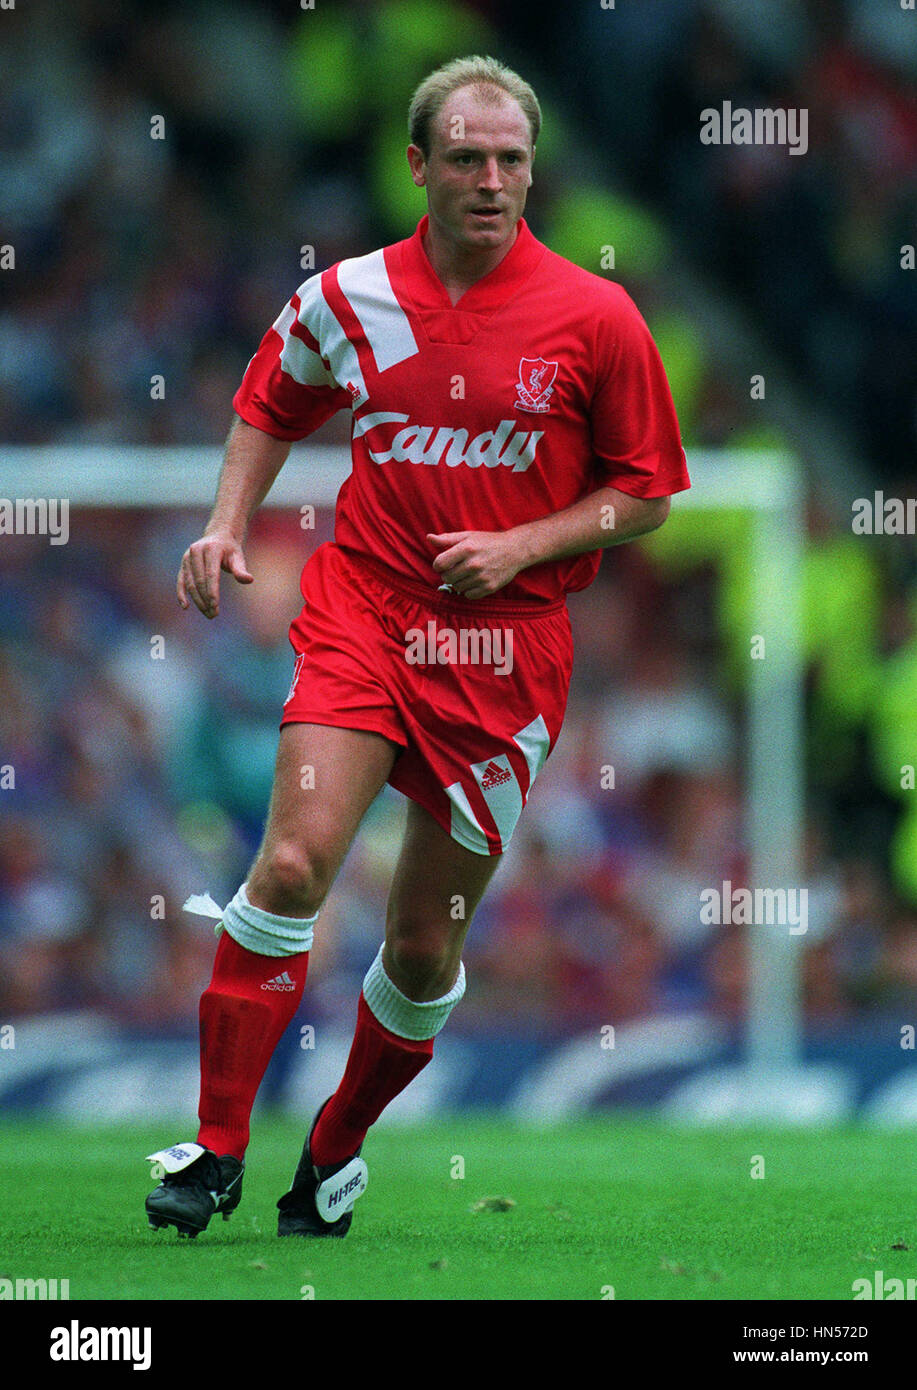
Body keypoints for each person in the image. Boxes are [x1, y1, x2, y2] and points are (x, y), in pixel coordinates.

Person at [145, 54, 690, 1239]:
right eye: (467, 159)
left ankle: (334, 1147)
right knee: (291, 865)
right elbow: (268, 401)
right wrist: (227, 522)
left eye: (512, 162)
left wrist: (526, 543)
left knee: (423, 940)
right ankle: (217, 1148)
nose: (492, 181)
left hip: (507, 653)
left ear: (532, 169)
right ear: (418, 166)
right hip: (367, 617)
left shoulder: (598, 317)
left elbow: (647, 491)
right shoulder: (345, 298)